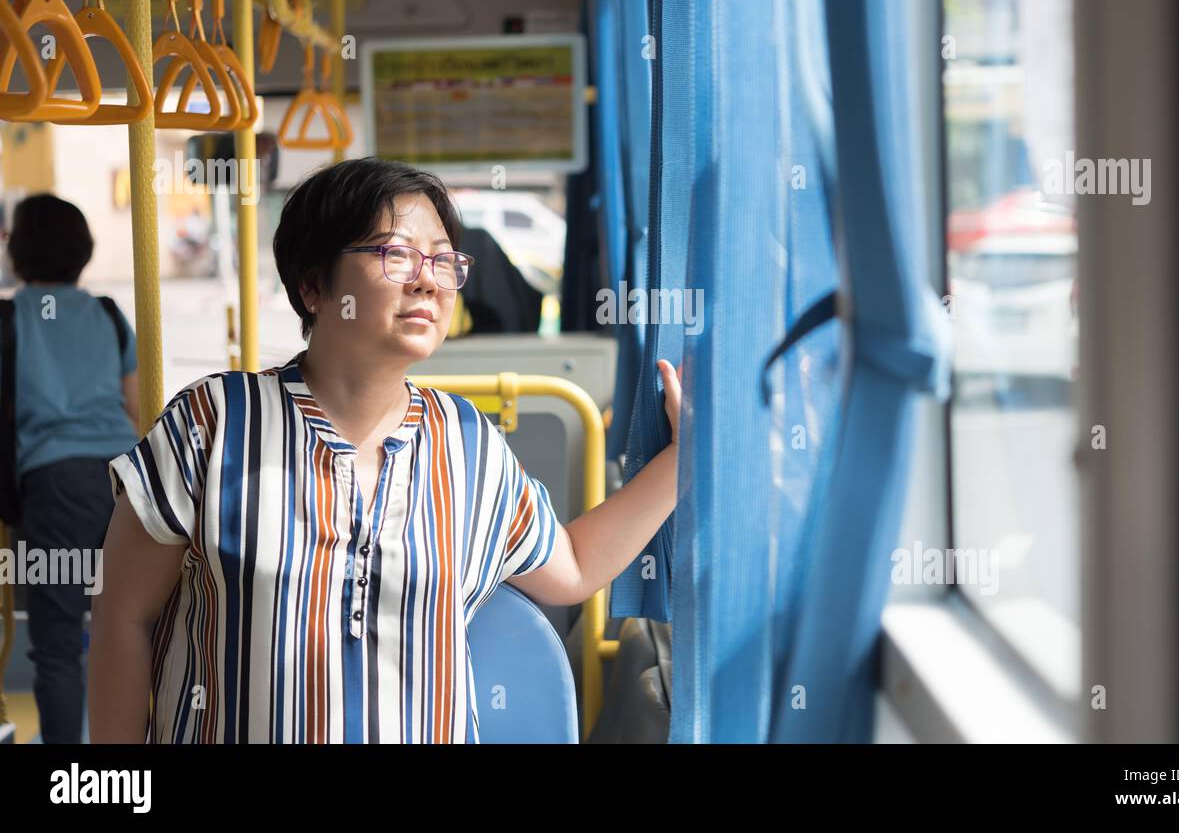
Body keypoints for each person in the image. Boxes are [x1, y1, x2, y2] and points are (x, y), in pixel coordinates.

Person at [89, 158, 683, 743]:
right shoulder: (214, 425)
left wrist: (681, 459)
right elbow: (124, 618)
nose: (427, 279)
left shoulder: (470, 444)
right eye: (395, 254)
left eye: (444, 260)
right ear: (314, 285)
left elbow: (573, 566)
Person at [2, 193, 139, 743]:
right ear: (83, 250)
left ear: (16, 249)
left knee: (57, 642)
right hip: (124, 486)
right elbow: (134, 411)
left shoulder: (10, 318)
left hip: (52, 485)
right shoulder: (108, 313)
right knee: (126, 628)